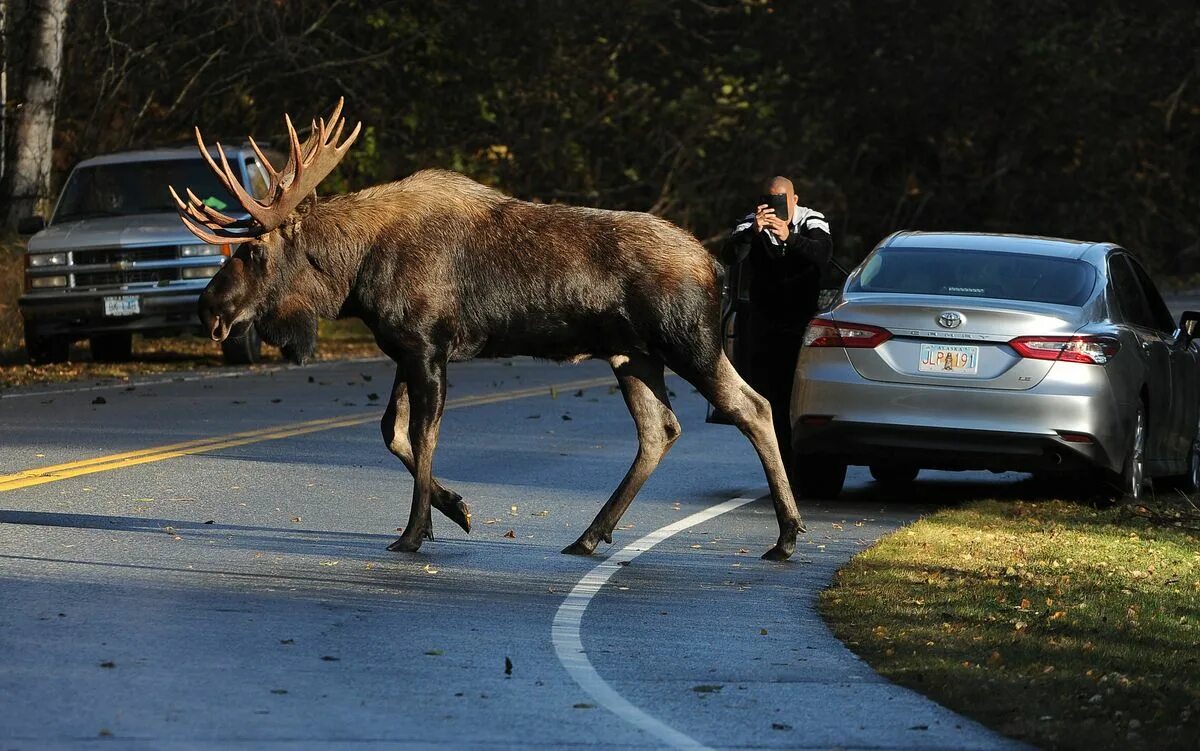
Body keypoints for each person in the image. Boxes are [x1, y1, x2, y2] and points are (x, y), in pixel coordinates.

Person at [724, 176, 832, 465]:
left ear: (794, 200)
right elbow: (729, 255)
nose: (773, 206)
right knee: (766, 395)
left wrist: (790, 237)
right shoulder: (751, 222)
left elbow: (822, 253)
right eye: (768, 199)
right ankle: (777, 460)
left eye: (780, 200)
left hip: (801, 320)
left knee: (795, 393)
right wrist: (753, 233)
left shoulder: (812, 219)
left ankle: (798, 460)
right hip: (764, 320)